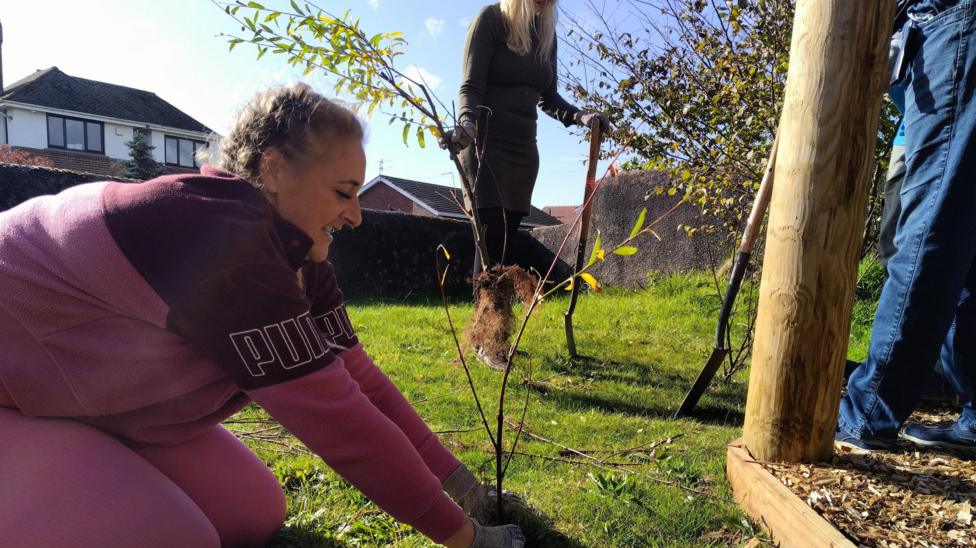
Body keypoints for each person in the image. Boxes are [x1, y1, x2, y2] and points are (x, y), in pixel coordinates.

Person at [0, 83, 525, 547]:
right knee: (178, 537)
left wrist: (464, 487)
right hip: (14, 393)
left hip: (68, 389)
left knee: (254, 511)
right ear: (272, 170)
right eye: (343, 192)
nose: (358, 215)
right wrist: (468, 539)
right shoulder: (220, 237)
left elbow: (362, 383)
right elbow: (342, 422)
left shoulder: (296, 255)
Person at [837, 0, 976, 452]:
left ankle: (869, 411)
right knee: (966, 244)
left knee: (933, 222)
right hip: (949, 26)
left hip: (953, 19)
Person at [452, 0, 607, 368]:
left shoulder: (546, 33)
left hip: (523, 153)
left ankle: (496, 335)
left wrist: (582, 116)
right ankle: (488, 340)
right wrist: (466, 125)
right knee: (489, 242)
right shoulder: (491, 20)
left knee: (508, 242)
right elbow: (470, 86)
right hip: (483, 144)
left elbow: (549, 99)